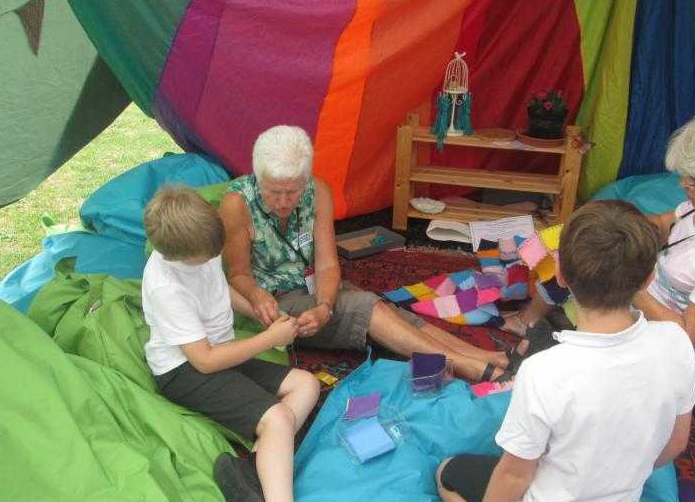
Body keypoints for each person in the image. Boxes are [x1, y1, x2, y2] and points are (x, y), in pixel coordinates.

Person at [435, 201, 695, 502]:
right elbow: (676, 443)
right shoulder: (675, 341)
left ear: (560, 276)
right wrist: (617, 474)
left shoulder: (545, 370)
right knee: (594, 498)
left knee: (447, 473)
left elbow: (514, 475)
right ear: (649, 279)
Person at [141, 185, 361, 502]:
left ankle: (250, 470)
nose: (209, 261)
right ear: (177, 256)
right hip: (185, 371)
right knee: (277, 418)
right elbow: (204, 362)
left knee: (306, 384)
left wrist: (256, 309)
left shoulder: (199, 246)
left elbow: (217, 286)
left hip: (221, 352)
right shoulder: (165, 286)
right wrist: (268, 339)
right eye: (203, 259)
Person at [219, 125, 515, 383]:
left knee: (383, 308)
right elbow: (238, 275)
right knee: (365, 307)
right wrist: (257, 297)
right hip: (273, 304)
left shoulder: (316, 191)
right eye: (273, 192)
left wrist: (324, 306)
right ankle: (464, 365)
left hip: (307, 288)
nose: (283, 202)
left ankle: (481, 355)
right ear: (258, 178)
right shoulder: (237, 203)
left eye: (292, 192)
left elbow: (326, 264)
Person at [505, 108, 695, 359]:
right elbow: (668, 221)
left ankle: (550, 350)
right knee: (581, 245)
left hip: (663, 332)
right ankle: (529, 320)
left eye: (693, 180)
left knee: (553, 353)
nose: (682, 185)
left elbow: (685, 337)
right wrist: (611, 233)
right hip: (646, 284)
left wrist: (625, 281)